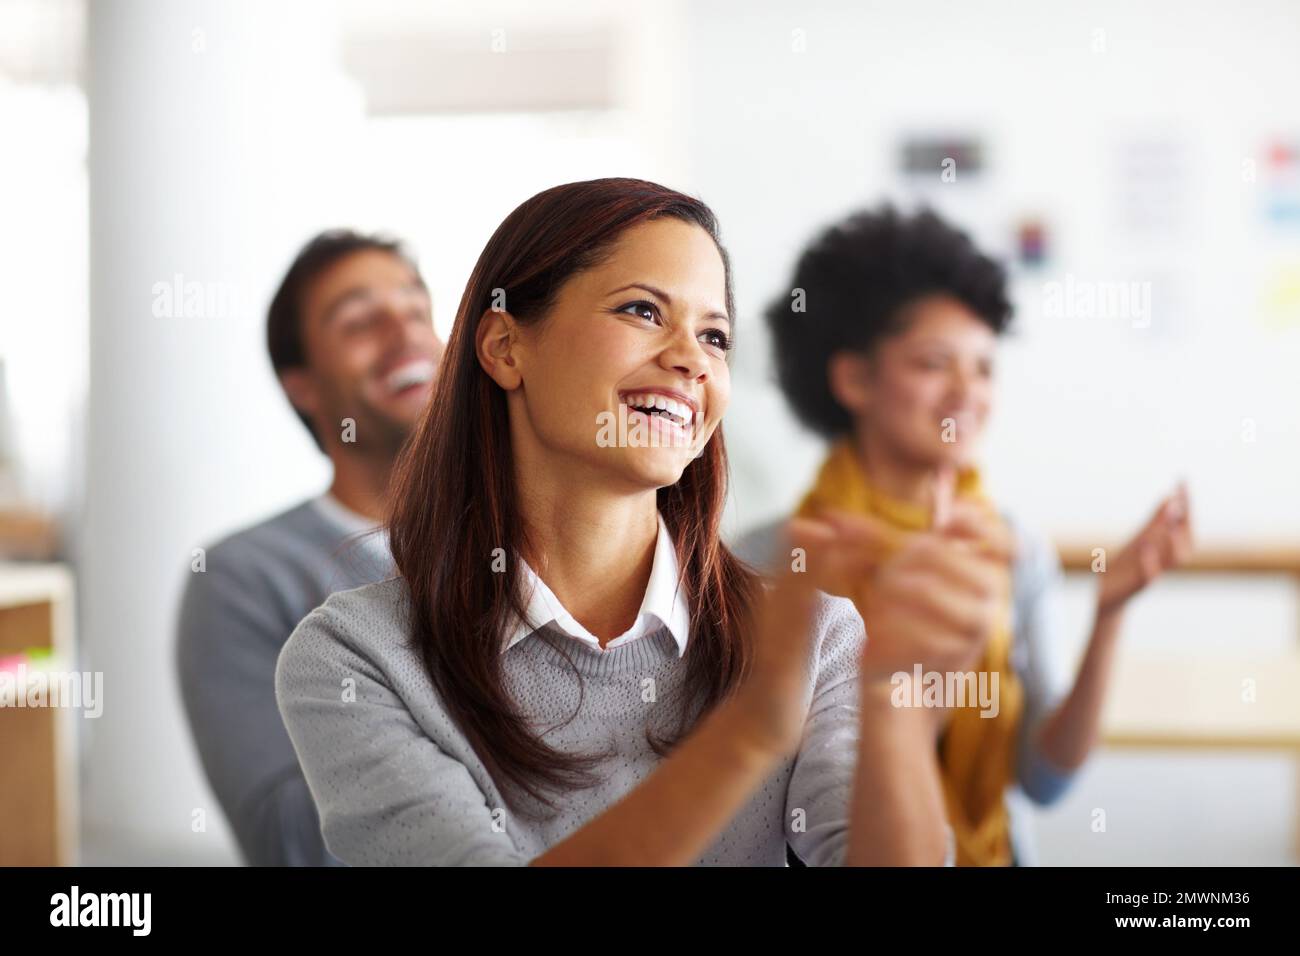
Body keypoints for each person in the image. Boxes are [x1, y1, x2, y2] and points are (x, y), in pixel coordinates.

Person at [274, 178, 1014, 866]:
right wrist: (753, 727)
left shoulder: (816, 633)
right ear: (505, 346)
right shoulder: (355, 658)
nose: (691, 359)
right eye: (642, 311)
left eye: (716, 336)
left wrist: (893, 707)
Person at [734, 206, 1193, 866]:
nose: (967, 393)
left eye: (984, 368)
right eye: (934, 363)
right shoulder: (767, 562)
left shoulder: (1008, 550)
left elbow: (1045, 780)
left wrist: (1110, 612)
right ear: (853, 379)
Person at [176, 230, 445, 865]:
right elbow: (292, 845)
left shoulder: (532, 542)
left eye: (416, 310)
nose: (405, 334)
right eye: (359, 322)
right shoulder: (241, 577)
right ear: (304, 387)